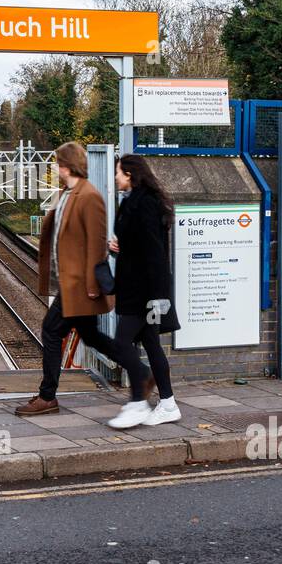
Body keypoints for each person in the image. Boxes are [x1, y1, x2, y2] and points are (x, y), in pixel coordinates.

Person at [15, 141, 121, 416]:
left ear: (66, 165)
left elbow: (97, 243)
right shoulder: (68, 193)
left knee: (51, 331)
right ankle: (141, 371)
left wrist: (91, 285)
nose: (56, 167)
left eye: (58, 163)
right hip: (70, 283)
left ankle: (47, 396)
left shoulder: (89, 196)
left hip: (79, 286)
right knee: (92, 337)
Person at [105, 154, 180, 429]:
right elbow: (138, 247)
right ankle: (168, 403)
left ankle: (139, 401)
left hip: (144, 294)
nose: (115, 177)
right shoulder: (134, 201)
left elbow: (155, 254)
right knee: (151, 345)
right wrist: (119, 248)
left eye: (118, 172)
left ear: (130, 174)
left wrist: (159, 298)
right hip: (138, 289)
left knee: (121, 344)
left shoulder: (145, 204)